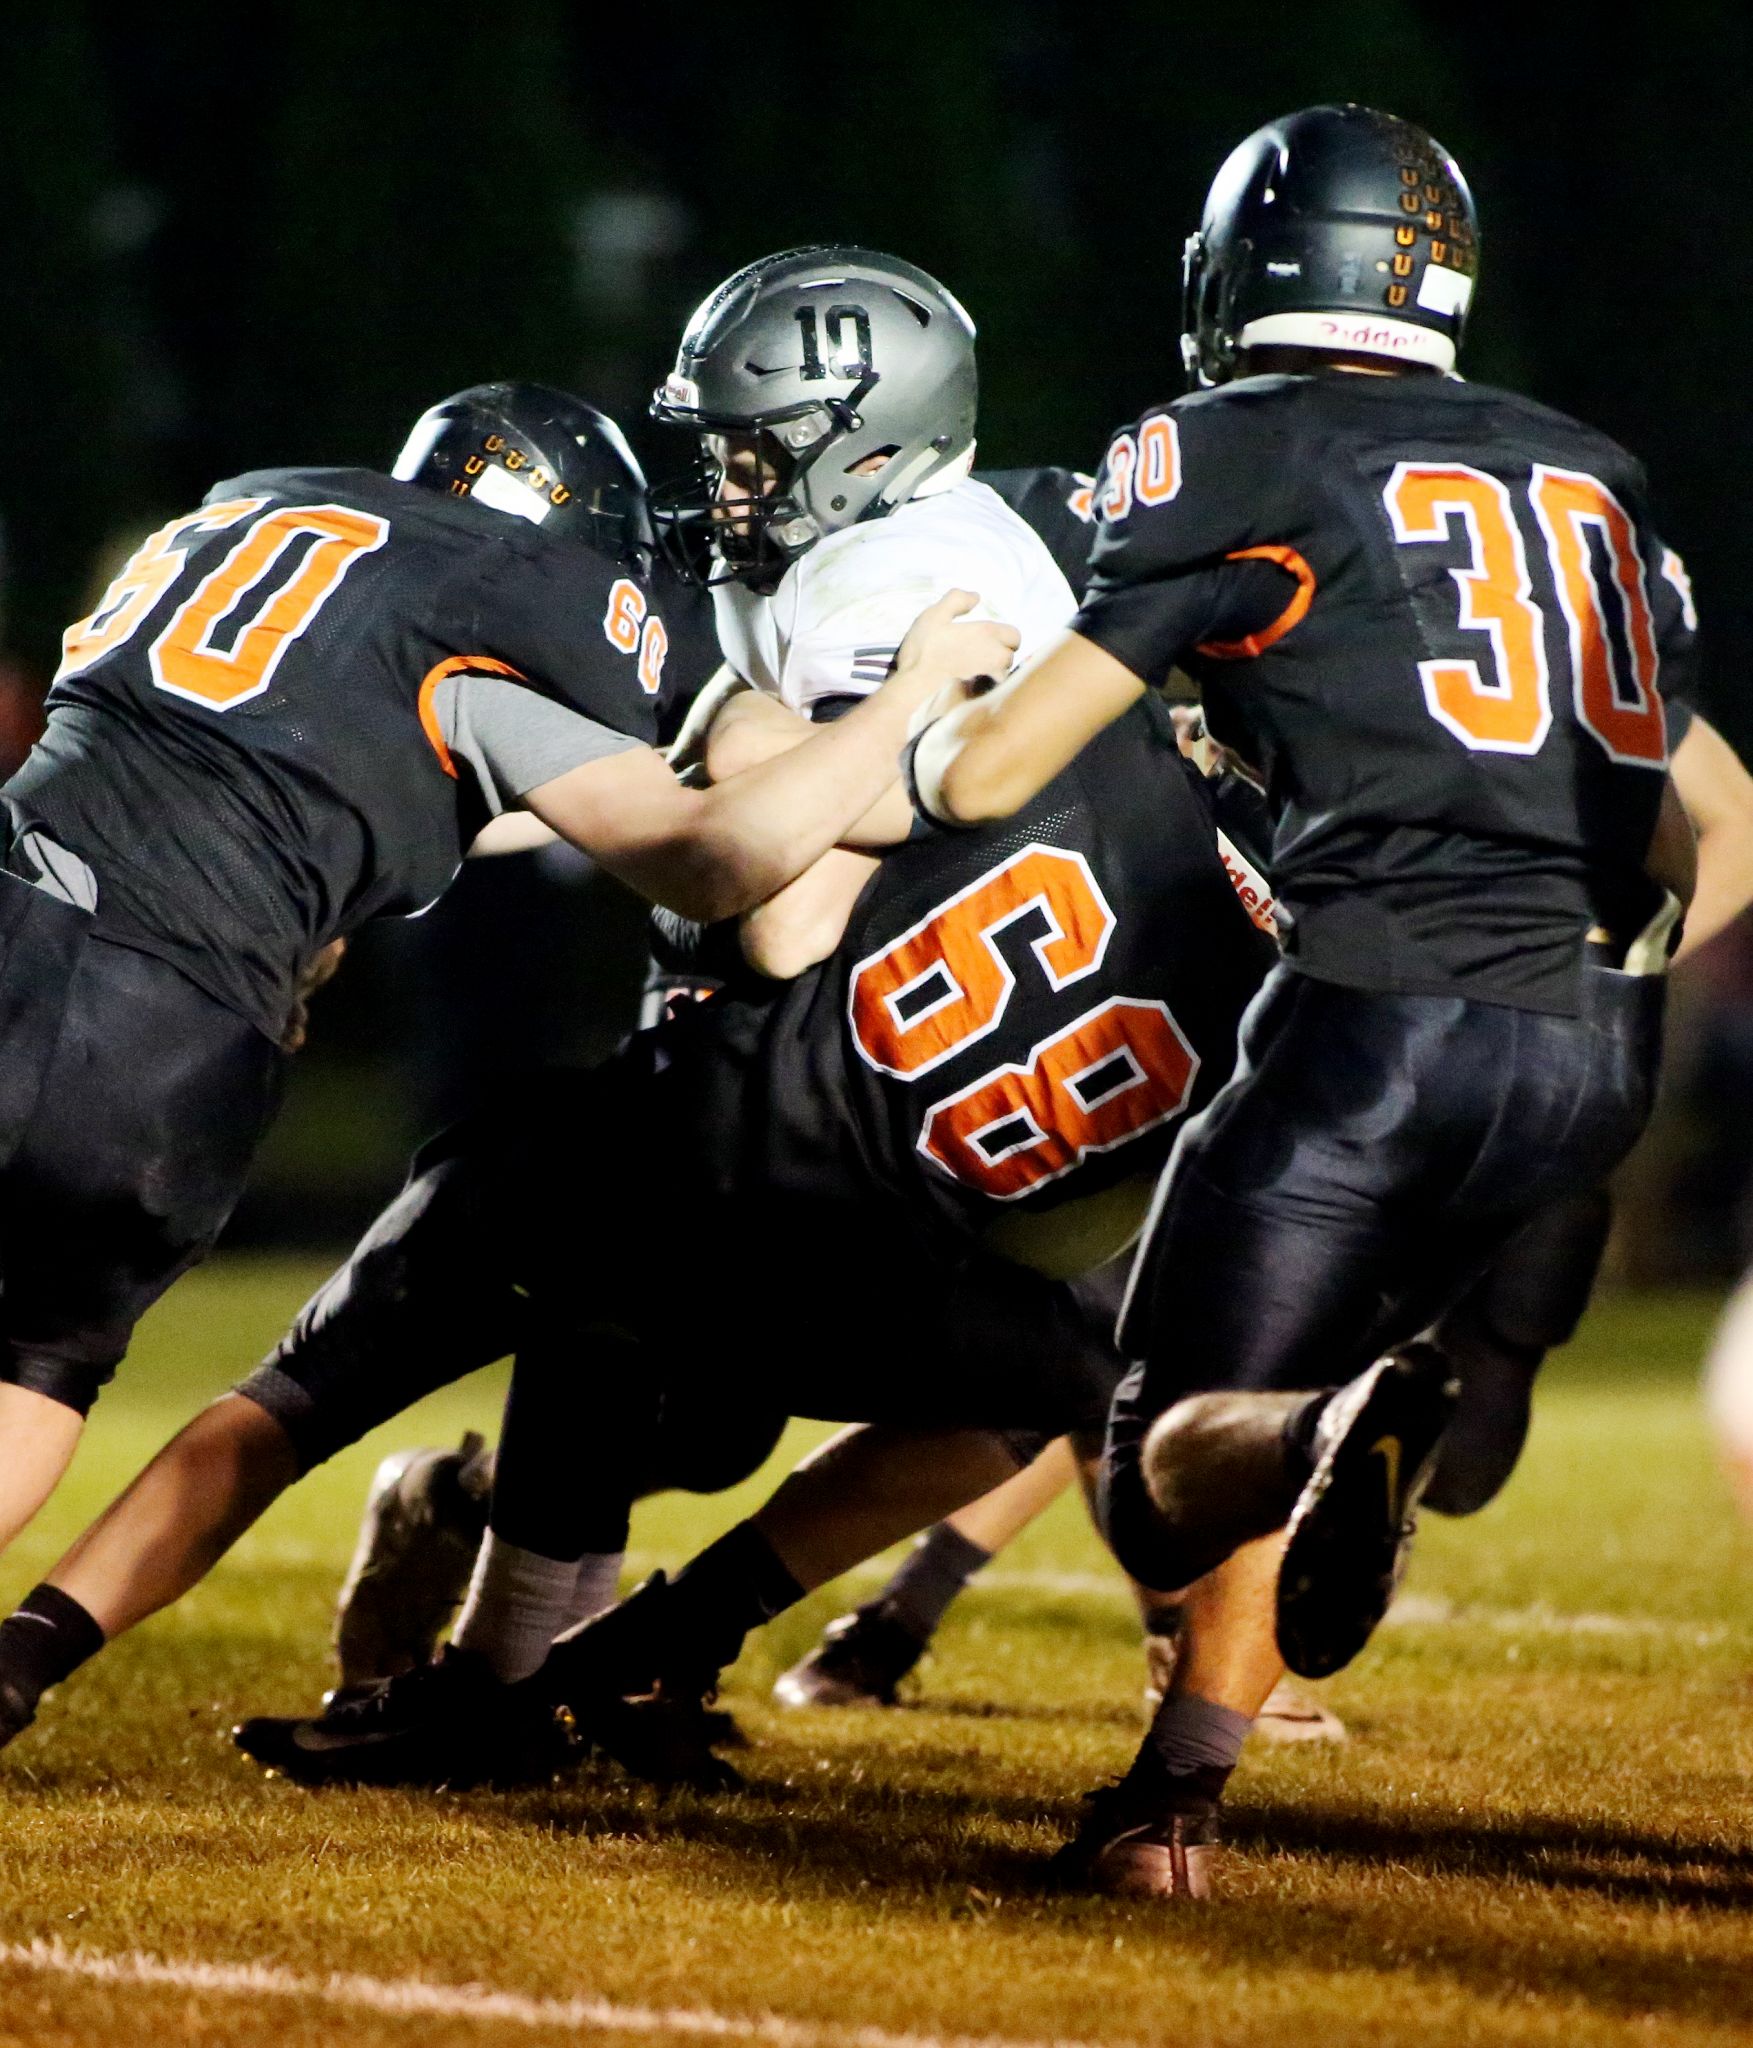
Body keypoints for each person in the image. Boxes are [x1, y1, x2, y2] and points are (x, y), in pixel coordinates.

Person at [905, 104, 1693, 1894]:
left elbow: (984, 773)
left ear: (1243, 268)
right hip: (1586, 1046)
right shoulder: (1580, 473)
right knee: (1390, 1440)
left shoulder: (1227, 450)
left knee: (1165, 1449)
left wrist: (940, 706)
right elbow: (1701, 806)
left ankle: (1293, 1533)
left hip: (1376, 1020)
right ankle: (1171, 1787)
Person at [0, 691, 1278, 1785]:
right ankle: (591, 1658)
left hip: (703, 1164)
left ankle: (64, 1653)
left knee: (347, 1383)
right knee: (1067, 1359)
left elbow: (759, 888)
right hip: (797, 1217)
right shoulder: (1268, 940)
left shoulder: (1052, 717)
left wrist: (781, 716)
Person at [0, 373, 1011, 1607]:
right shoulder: (510, 601)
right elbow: (716, 859)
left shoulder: (244, 516)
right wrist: (913, 692)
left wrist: (312, 922)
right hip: (161, 1020)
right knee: (35, 1360)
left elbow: (270, 759)